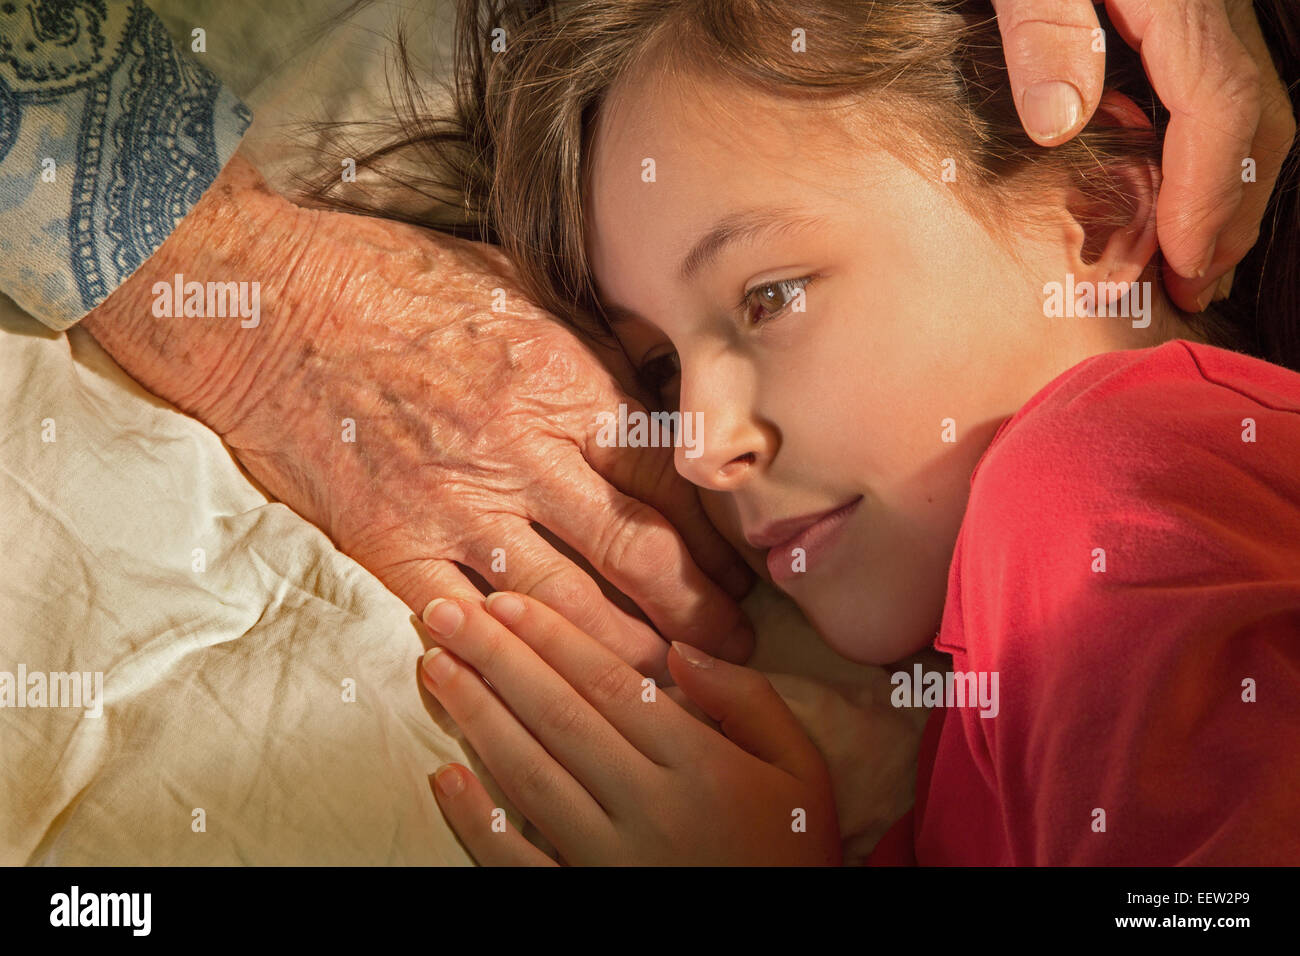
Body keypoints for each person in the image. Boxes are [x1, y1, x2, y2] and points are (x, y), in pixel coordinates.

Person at [408, 0, 1300, 865]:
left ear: (1097, 210)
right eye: (662, 370)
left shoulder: (1090, 496)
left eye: (771, 296)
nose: (699, 449)